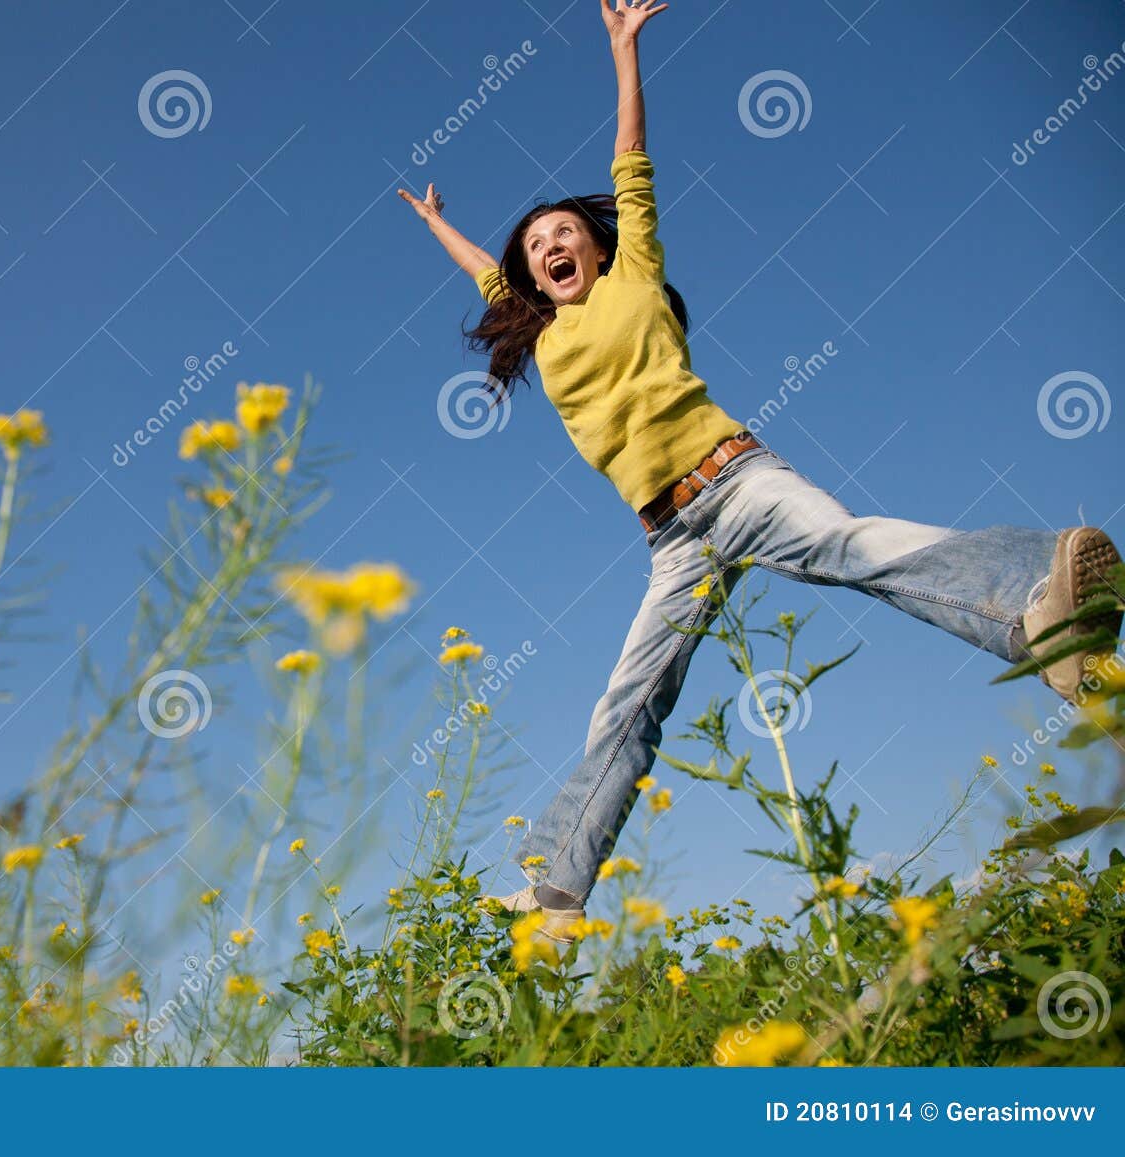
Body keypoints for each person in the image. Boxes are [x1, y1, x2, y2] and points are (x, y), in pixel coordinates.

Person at [396, 0, 1122, 938]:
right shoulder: (538, 328)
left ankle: (1041, 612)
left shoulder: (635, 273)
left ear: (596, 244)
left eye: (563, 234)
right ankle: (552, 893)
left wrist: (624, 52)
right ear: (527, 279)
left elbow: (630, 164)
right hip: (670, 540)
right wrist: (435, 225)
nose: (551, 248)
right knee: (629, 702)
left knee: (850, 544)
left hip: (736, 478)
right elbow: (480, 276)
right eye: (535, 249)